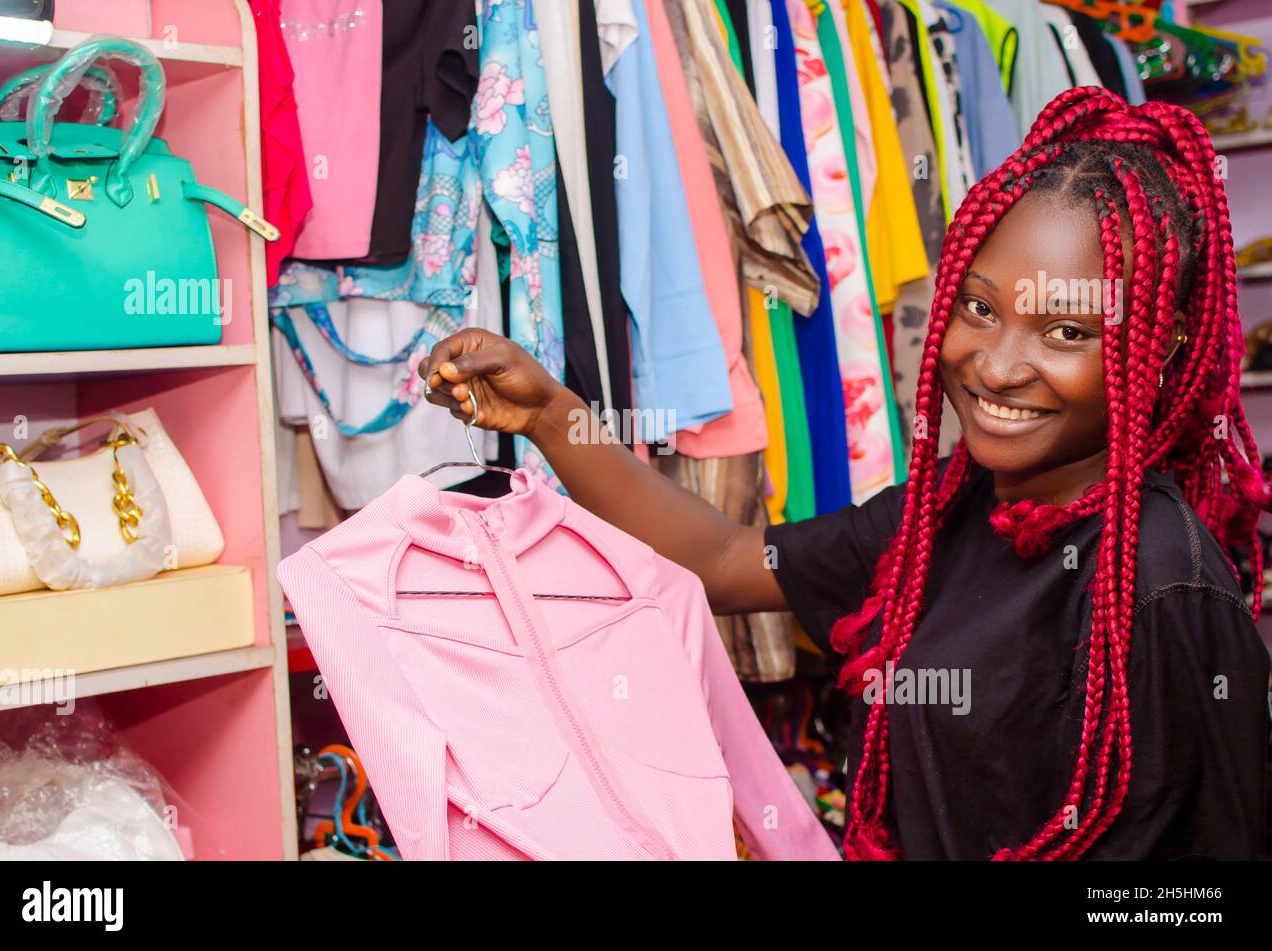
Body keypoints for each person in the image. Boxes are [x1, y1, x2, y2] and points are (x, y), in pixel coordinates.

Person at [419, 88, 1271, 860]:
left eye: (1066, 333)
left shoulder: (1162, 583)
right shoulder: (944, 514)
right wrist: (549, 415)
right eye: (980, 307)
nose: (1000, 366)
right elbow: (719, 558)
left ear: (1156, 355)